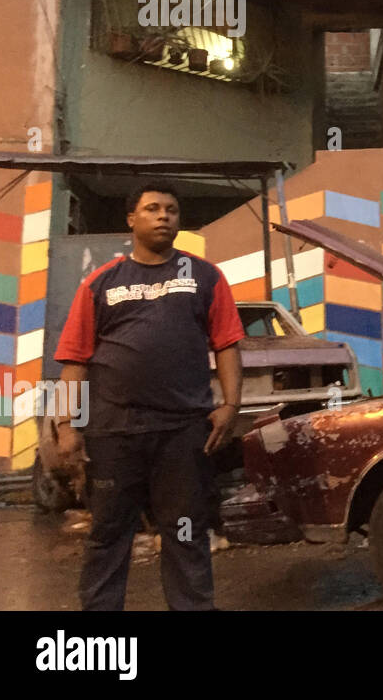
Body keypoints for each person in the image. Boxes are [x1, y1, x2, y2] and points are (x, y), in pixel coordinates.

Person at [52, 183, 244, 611]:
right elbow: (75, 360)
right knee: (109, 534)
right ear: (131, 219)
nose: (164, 216)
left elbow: (227, 344)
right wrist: (66, 426)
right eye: (152, 208)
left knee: (184, 531)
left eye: (172, 210)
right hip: (114, 433)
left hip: (182, 431)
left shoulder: (205, 277)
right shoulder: (101, 283)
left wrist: (230, 406)